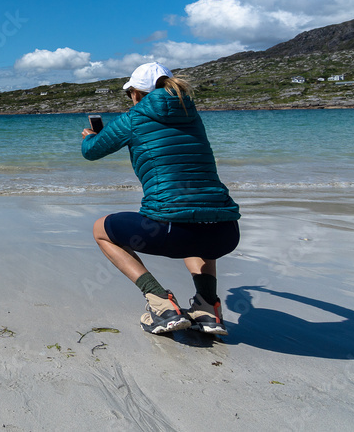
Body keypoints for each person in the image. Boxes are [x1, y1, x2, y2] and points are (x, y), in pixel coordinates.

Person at [81, 62, 240, 335]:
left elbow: (92, 151)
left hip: (169, 231)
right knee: (200, 217)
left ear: (135, 93)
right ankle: (207, 308)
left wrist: (89, 137)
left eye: (129, 93)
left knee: (101, 230)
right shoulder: (192, 113)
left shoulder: (134, 117)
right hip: (225, 233)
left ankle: (161, 303)